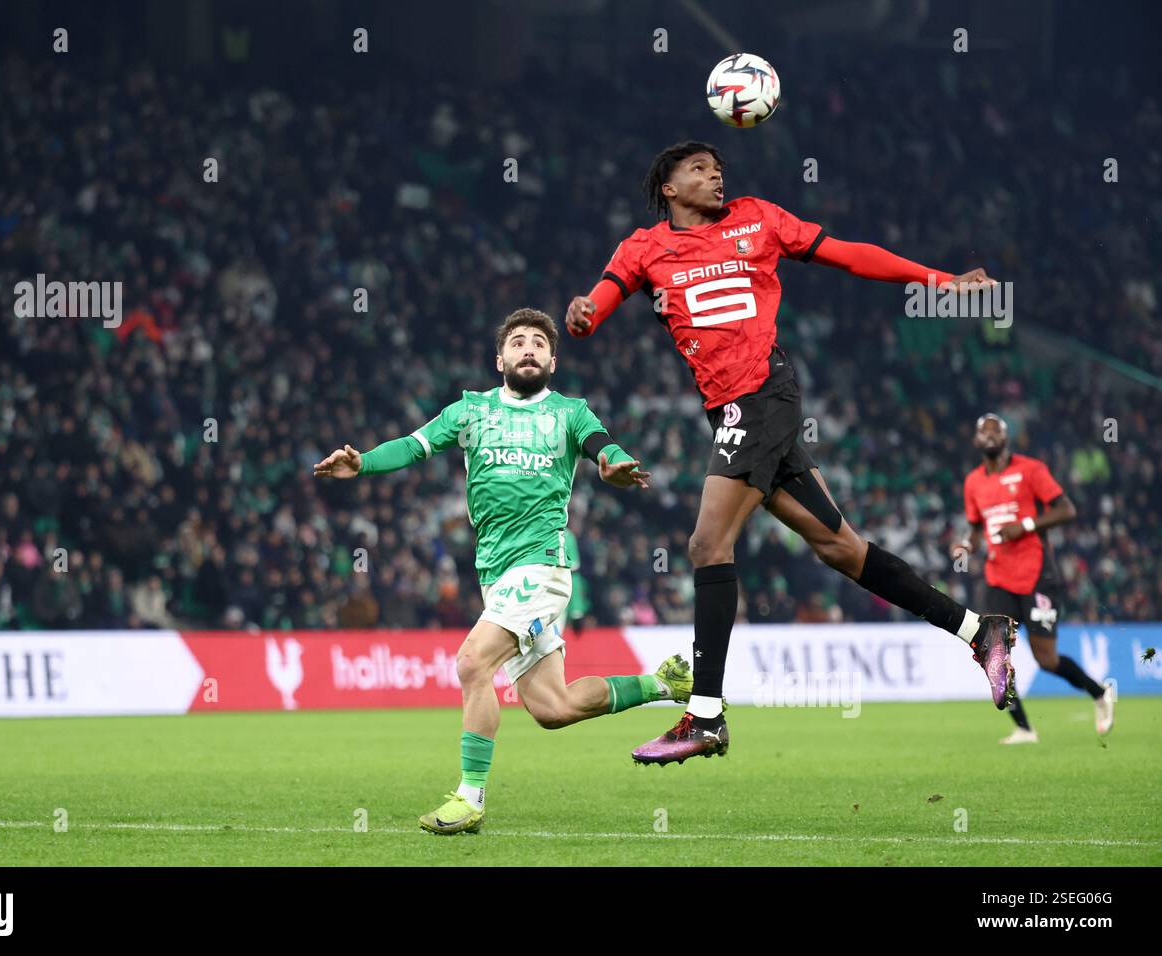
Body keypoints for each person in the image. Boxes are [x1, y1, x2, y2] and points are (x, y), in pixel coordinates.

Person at [564, 141, 1018, 766]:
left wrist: (938, 280)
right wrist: (584, 315)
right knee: (841, 549)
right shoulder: (644, 248)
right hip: (731, 410)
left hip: (762, 396)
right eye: (698, 168)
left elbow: (851, 256)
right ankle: (978, 629)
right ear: (668, 188)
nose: (715, 174)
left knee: (705, 545)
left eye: (718, 166)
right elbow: (596, 307)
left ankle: (704, 715)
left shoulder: (760, 218)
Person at [315, 308, 694, 833]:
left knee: (472, 664)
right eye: (518, 342)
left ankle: (470, 798)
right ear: (501, 359)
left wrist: (615, 462)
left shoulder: (569, 412)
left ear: (553, 361)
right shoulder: (470, 411)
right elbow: (413, 445)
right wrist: (364, 463)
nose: (529, 349)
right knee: (552, 708)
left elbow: (602, 446)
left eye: (540, 343)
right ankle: (664, 682)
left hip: (542, 565)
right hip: (496, 574)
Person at [951, 413, 1114, 743]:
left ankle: (1099, 692)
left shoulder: (1031, 470)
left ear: (1007, 438)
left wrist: (1025, 526)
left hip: (1037, 574)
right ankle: (1024, 729)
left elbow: (1066, 509)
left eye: (997, 432)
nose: (990, 437)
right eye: (985, 433)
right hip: (998, 578)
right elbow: (976, 529)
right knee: (994, 655)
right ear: (976, 441)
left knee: (1046, 659)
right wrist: (967, 544)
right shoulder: (973, 482)